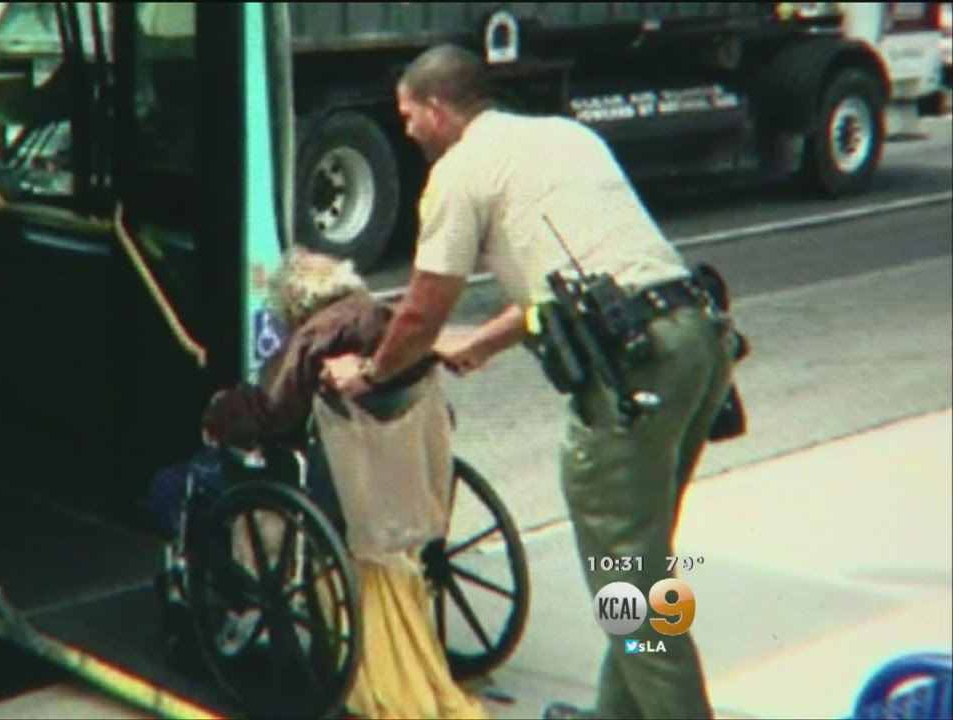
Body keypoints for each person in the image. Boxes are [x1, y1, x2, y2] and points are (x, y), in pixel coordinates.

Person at [321, 43, 736, 720]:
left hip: (632, 373)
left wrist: (368, 373)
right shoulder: (562, 138)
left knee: (626, 576)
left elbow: (425, 309)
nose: (406, 131)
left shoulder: (458, 173)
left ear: (437, 107)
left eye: (407, 116)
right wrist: (485, 343)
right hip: (696, 341)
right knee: (639, 562)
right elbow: (585, 274)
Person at [202, 245, 487, 720]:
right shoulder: (385, 316)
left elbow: (273, 411)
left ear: (294, 302)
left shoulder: (315, 335)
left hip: (348, 487)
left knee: (223, 475)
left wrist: (219, 413)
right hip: (402, 478)